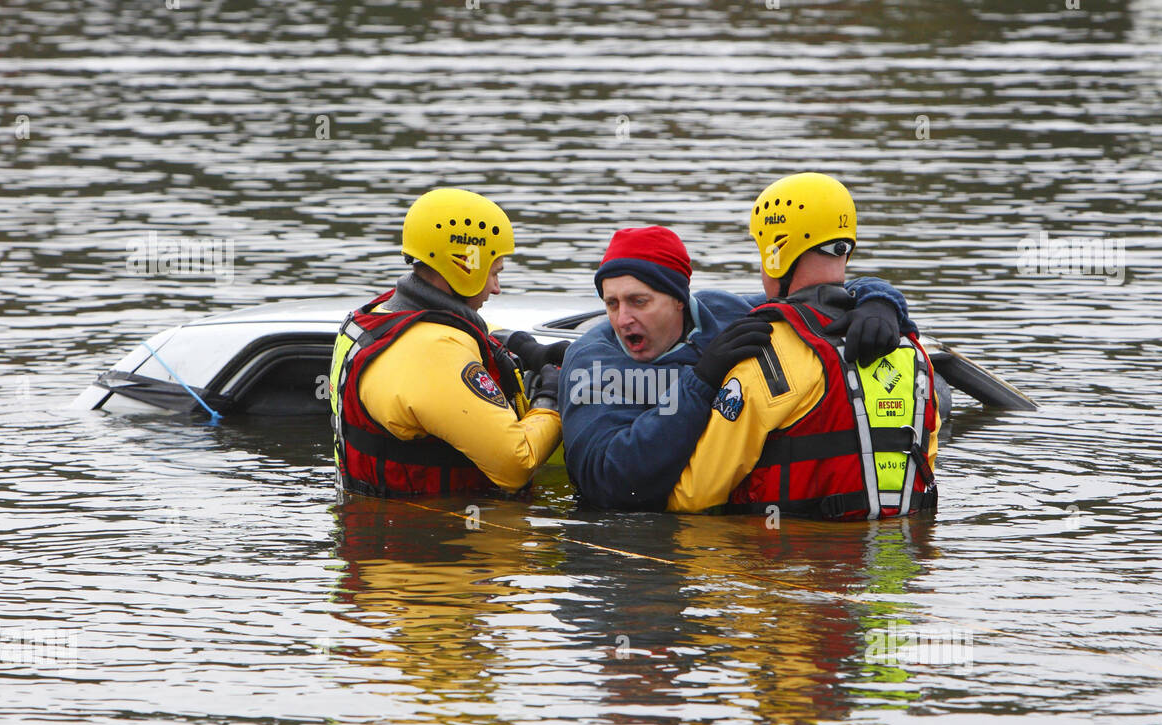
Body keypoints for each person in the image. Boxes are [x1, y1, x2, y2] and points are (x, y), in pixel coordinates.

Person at [560, 224, 918, 509]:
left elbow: (820, 292)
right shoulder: (592, 361)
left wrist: (880, 302)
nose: (623, 319)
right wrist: (701, 382)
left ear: (680, 301)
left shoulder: (726, 313)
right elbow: (608, 484)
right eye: (612, 303)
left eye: (639, 301)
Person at [668, 172, 941, 520]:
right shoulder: (913, 354)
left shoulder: (763, 356)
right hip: (898, 567)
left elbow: (694, 497)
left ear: (775, 255)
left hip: (786, 567)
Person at [329, 188, 563, 499]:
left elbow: (465, 330)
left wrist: (530, 349)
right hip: (442, 541)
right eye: (494, 272)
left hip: (373, 531)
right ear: (464, 266)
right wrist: (551, 398)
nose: (496, 288)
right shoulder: (432, 353)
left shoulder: (377, 316)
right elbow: (516, 464)